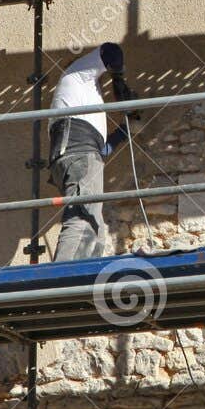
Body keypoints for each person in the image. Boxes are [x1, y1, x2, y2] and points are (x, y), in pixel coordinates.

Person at [48, 42, 139, 262]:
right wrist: (119, 81)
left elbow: (101, 150)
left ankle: (87, 274)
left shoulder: (83, 100)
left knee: (96, 226)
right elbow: (111, 51)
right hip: (79, 154)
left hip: (84, 156)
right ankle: (60, 276)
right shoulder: (75, 74)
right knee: (81, 218)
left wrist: (125, 131)